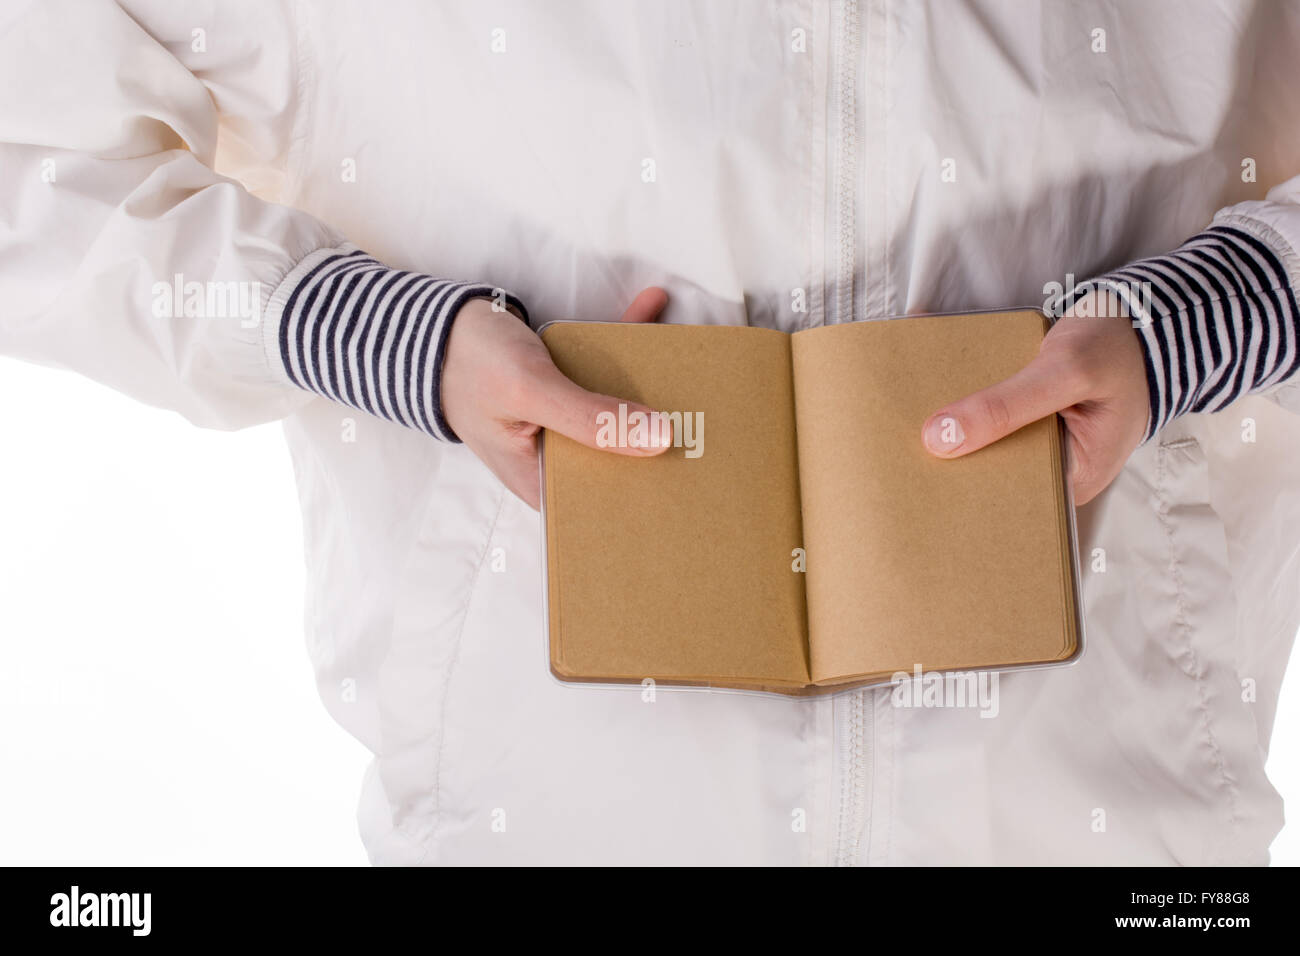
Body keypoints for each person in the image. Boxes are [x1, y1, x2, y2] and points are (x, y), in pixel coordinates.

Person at [2, 0, 1299, 865]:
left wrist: (1213, 319)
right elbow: (30, 162)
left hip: (1119, 811)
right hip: (544, 808)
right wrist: (388, 335)